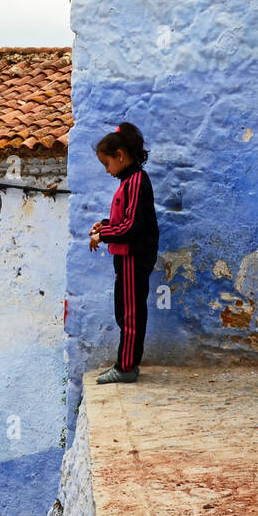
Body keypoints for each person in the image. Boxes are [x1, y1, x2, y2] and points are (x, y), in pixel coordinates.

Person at [89, 123, 159, 384]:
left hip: (132, 257)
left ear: (121, 155)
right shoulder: (129, 182)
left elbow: (131, 226)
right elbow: (125, 220)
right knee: (125, 310)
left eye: (107, 164)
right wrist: (105, 225)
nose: (107, 171)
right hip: (125, 257)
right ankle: (127, 363)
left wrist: (103, 235)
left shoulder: (137, 182)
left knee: (130, 314)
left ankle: (126, 367)